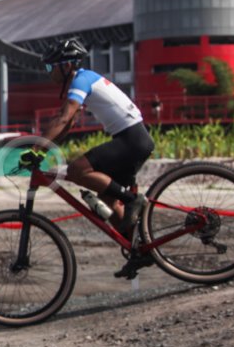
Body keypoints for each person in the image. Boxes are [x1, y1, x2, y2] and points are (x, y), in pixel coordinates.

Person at [20, 37, 156, 278]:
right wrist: (44, 150)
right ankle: (139, 251)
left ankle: (133, 200)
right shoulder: (80, 81)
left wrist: (36, 150)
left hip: (132, 139)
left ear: (67, 65)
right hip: (131, 139)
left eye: (52, 67)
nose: (49, 73)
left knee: (76, 171)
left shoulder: (81, 79)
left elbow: (63, 118)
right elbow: (68, 125)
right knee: (109, 203)